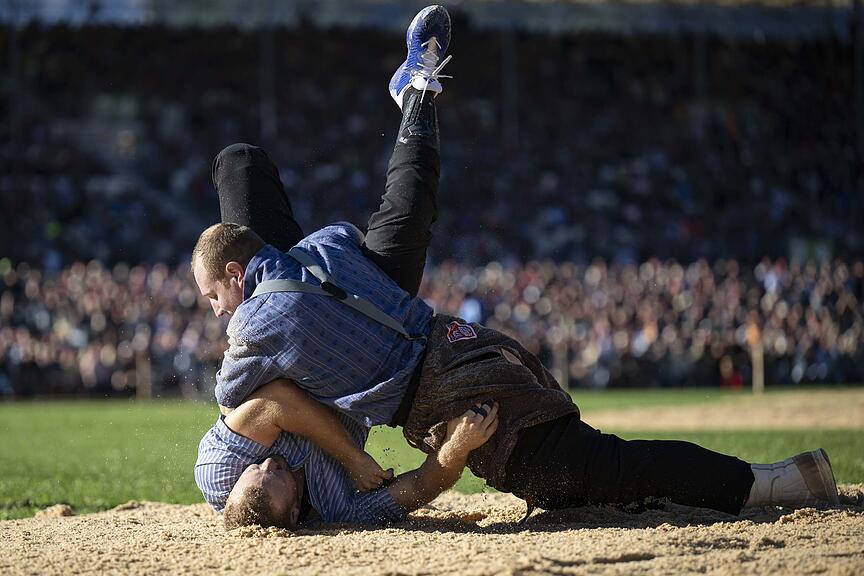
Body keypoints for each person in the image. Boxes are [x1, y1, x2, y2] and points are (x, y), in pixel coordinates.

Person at [194, 5, 840, 529]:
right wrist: (436, 454)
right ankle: (418, 95)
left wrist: (354, 454)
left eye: (213, 297)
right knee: (372, 203)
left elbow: (267, 394)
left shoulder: (230, 446)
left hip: (426, 370)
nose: (214, 313)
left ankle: (764, 483)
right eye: (285, 489)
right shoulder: (322, 259)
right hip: (392, 312)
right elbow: (411, 487)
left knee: (578, 473)